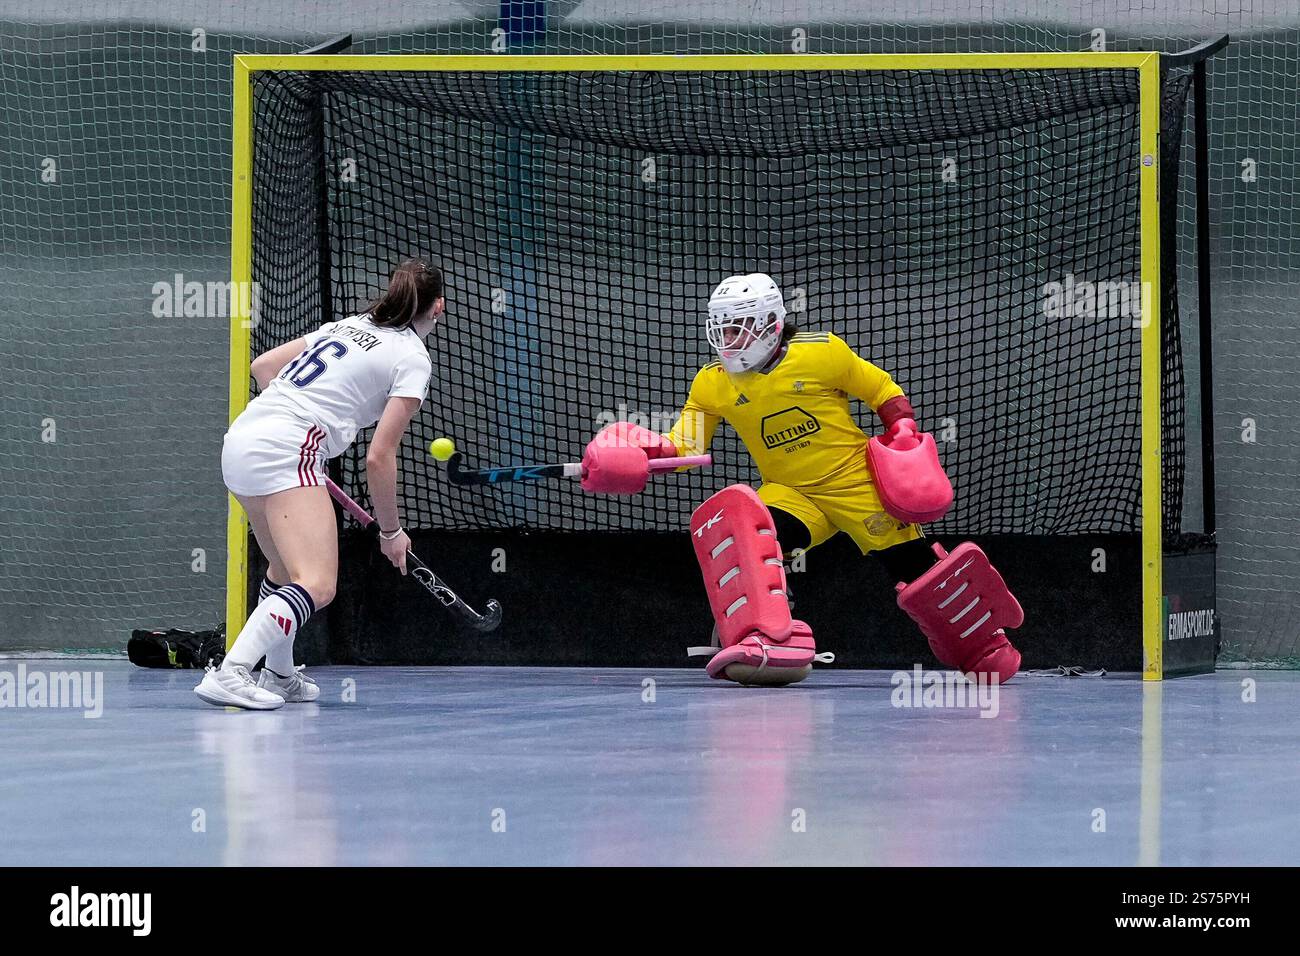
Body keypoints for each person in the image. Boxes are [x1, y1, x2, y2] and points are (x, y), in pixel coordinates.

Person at [580, 273, 1024, 686]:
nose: (729, 340)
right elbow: (686, 448)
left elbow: (881, 388)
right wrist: (645, 452)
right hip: (793, 493)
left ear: (772, 324)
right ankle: (766, 635)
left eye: (739, 328)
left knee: (920, 573)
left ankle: (985, 647)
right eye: (722, 329)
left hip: (857, 483)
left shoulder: (822, 353)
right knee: (750, 536)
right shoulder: (711, 384)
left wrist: (902, 427)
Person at [196, 259, 441, 709]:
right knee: (319, 584)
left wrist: (299, 435)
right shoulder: (412, 358)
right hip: (289, 449)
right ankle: (232, 672)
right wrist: (391, 532)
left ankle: (279, 675)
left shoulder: (348, 325)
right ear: (438, 309)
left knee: (285, 573)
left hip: (243, 440)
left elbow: (263, 366)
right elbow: (379, 456)